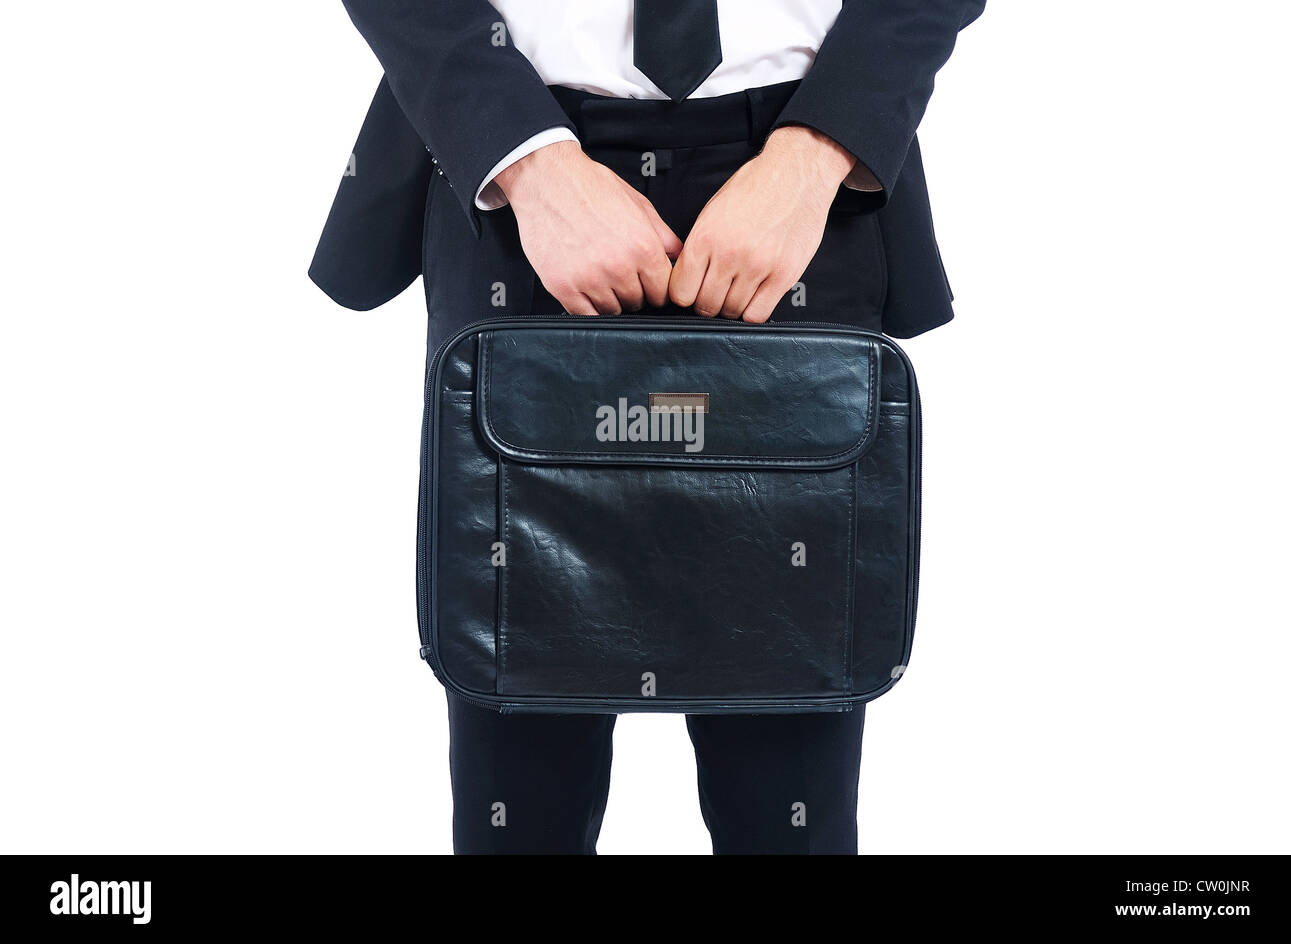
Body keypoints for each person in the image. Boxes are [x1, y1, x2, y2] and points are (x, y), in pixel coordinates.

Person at [311, 0, 984, 854]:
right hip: (519, 182)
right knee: (519, 785)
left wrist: (817, 155)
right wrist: (530, 164)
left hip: (802, 199)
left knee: (790, 796)